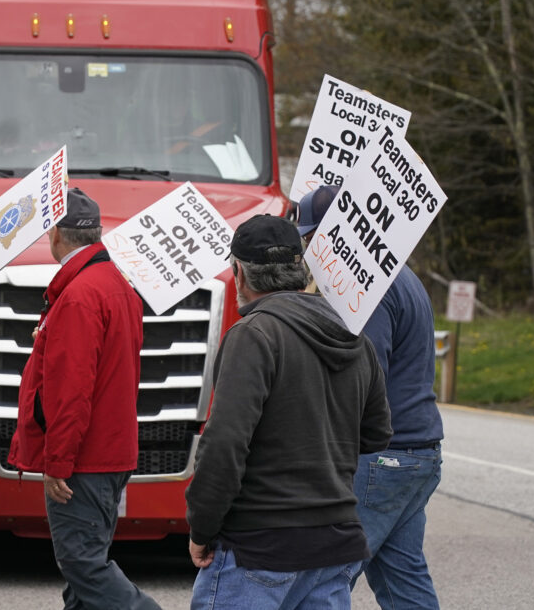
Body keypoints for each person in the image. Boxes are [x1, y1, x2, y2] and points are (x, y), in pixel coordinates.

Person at [186, 214, 392, 610]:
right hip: (334, 541)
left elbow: (224, 443)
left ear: (238, 273)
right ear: (300, 269)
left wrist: (201, 527)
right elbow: (377, 434)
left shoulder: (254, 335)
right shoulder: (354, 337)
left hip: (261, 543)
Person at [8, 188, 162, 610]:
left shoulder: (79, 295)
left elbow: (70, 392)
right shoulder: (115, 285)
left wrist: (57, 462)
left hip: (85, 459)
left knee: (82, 565)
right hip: (110, 453)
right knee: (83, 580)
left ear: (56, 235)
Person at [299, 185, 444, 609]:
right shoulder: (399, 273)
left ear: (338, 233)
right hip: (414, 452)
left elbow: (363, 377)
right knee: (402, 579)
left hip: (382, 456)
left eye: (313, 237)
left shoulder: (368, 288)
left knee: (323, 579)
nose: (309, 249)